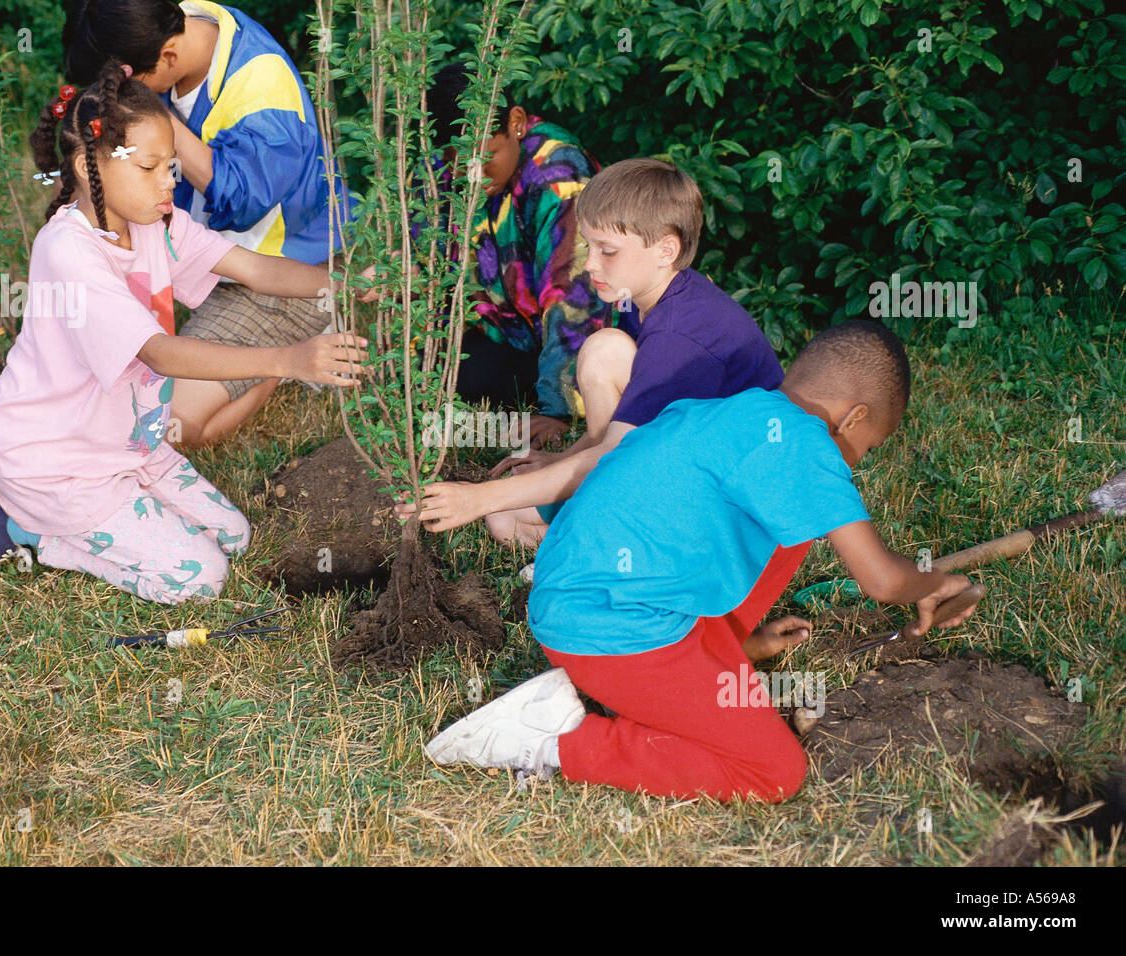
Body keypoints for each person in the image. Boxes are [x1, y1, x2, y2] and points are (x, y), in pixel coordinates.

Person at [424, 321, 984, 802]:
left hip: (578, 600)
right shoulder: (806, 442)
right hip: (612, 630)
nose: (858, 461)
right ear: (853, 416)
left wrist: (735, 648)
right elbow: (884, 581)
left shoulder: (726, 411)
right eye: (870, 445)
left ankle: (715, 653)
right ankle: (550, 738)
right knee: (774, 772)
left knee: (798, 523)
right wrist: (936, 582)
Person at [0, 63, 366, 603]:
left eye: (171, 166)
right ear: (87, 166)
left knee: (234, 538)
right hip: (54, 463)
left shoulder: (159, 222)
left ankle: (79, 513)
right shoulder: (68, 252)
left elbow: (256, 268)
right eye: (150, 167)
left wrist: (348, 286)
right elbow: (160, 352)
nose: (169, 181)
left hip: (129, 446)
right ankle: (30, 531)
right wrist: (288, 360)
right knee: (200, 579)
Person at [399, 158, 782, 554]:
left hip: (730, 501)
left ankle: (619, 539)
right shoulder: (640, 296)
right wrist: (564, 459)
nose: (591, 264)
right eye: (588, 245)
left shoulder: (679, 336)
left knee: (601, 354)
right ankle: (600, 533)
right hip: (681, 456)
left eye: (608, 250)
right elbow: (628, 424)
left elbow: (617, 453)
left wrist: (477, 497)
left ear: (666, 249)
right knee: (506, 520)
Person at [63, 0, 354, 446]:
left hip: (279, 268)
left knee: (169, 425)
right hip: (214, 255)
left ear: (169, 58)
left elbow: (242, 204)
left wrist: (159, 122)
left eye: (129, 85)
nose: (121, 99)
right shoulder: (166, 20)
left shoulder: (262, 88)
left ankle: (289, 355)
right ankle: (273, 353)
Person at [426, 64, 615, 449]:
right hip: (513, 333)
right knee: (449, 387)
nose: (472, 176)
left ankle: (565, 397)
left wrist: (556, 409)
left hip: (589, 338)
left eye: (485, 157)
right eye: (459, 164)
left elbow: (575, 297)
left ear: (515, 122)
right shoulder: (449, 167)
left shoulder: (558, 176)